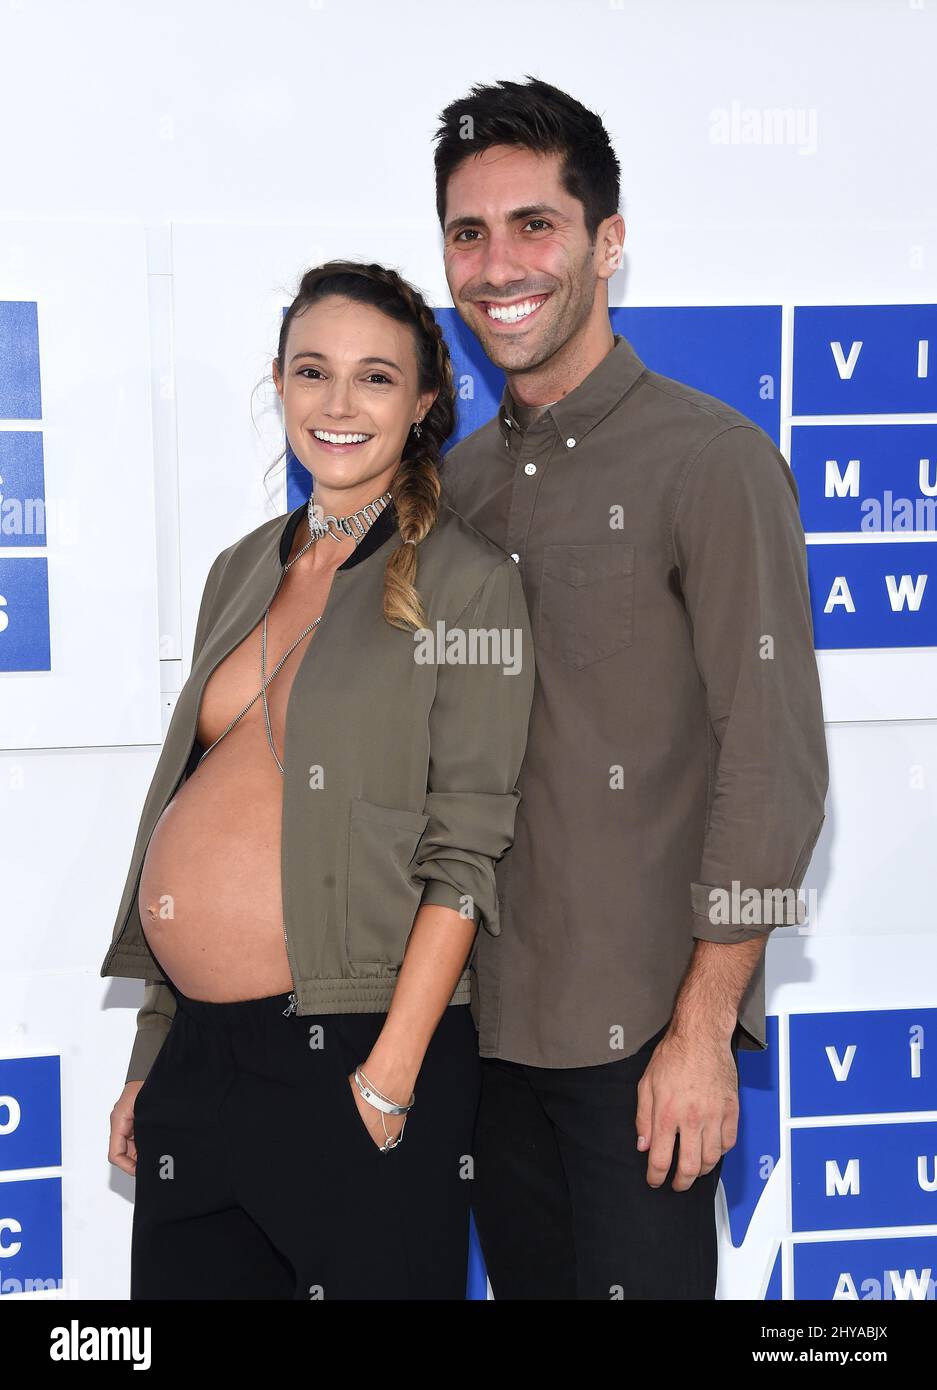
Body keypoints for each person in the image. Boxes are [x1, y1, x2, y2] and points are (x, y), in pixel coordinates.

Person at [433, 77, 829, 1299]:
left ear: (606, 242)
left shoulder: (710, 462)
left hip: (646, 1055)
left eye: (533, 225)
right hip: (478, 1039)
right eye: (468, 231)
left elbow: (774, 767)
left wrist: (704, 1029)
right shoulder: (450, 487)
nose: (499, 263)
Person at [102, 260, 535, 1300]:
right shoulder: (241, 567)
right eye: (313, 371)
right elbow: (192, 800)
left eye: (376, 377)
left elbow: (465, 852)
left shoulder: (468, 583)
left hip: (355, 1052)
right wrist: (150, 1055)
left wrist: (388, 1077)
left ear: (426, 400)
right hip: (198, 1065)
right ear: (280, 385)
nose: (338, 405)